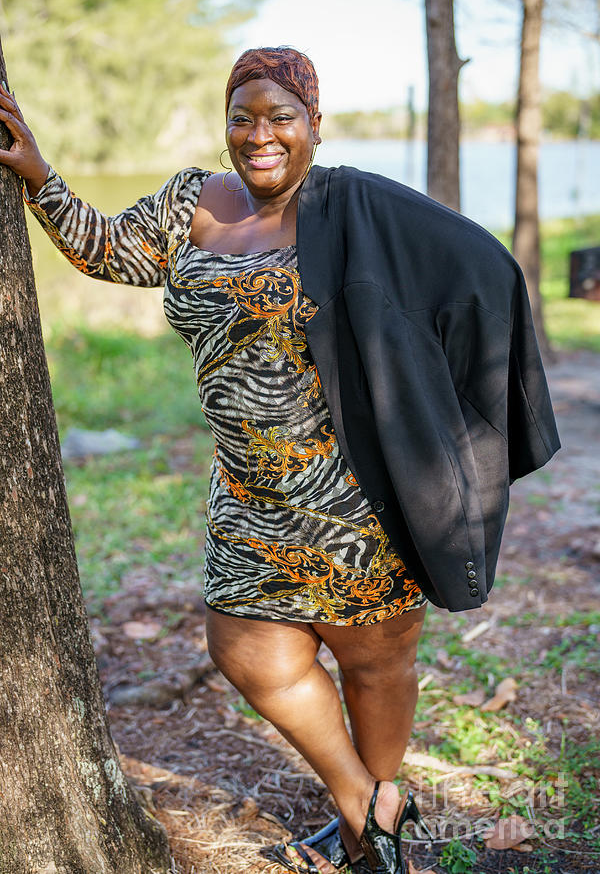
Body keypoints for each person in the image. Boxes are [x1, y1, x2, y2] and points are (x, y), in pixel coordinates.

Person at [0, 46, 560, 874]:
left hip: (359, 500)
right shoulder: (192, 201)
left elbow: (483, 273)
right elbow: (111, 252)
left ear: (314, 125)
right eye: (243, 117)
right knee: (246, 651)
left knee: (376, 662)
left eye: (281, 117)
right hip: (249, 495)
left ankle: (375, 828)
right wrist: (41, 178)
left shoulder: (358, 208)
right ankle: (365, 798)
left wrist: (476, 405)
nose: (260, 135)